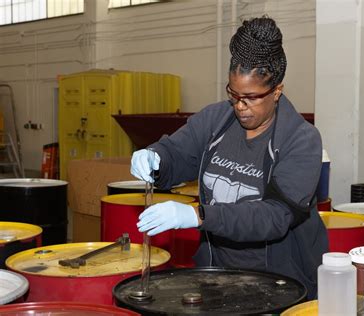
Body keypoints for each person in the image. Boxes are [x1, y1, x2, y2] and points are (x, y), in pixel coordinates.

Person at [130, 16, 328, 299]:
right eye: (233, 95)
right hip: (216, 279)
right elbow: (178, 151)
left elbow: (274, 215)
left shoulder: (301, 139)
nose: (240, 107)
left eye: (251, 97)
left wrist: (198, 215)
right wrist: (156, 157)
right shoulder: (216, 119)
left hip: (278, 286)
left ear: (277, 91)